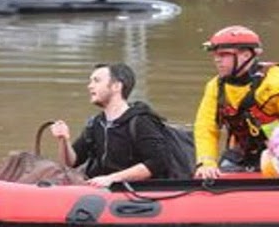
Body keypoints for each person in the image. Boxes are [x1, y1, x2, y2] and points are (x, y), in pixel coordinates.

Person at [193, 26, 279, 179]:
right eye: (215, 55)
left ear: (246, 55)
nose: (217, 59)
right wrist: (207, 163)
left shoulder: (278, 82)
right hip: (241, 154)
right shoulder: (216, 87)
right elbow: (206, 127)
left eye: (224, 54)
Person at [49, 62, 182, 187]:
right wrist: (63, 139)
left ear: (116, 86)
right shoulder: (96, 123)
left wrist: (112, 178)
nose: (90, 86)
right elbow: (71, 163)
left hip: (134, 193)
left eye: (97, 81)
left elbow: (157, 163)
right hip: (102, 190)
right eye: (90, 81)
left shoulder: (141, 121)